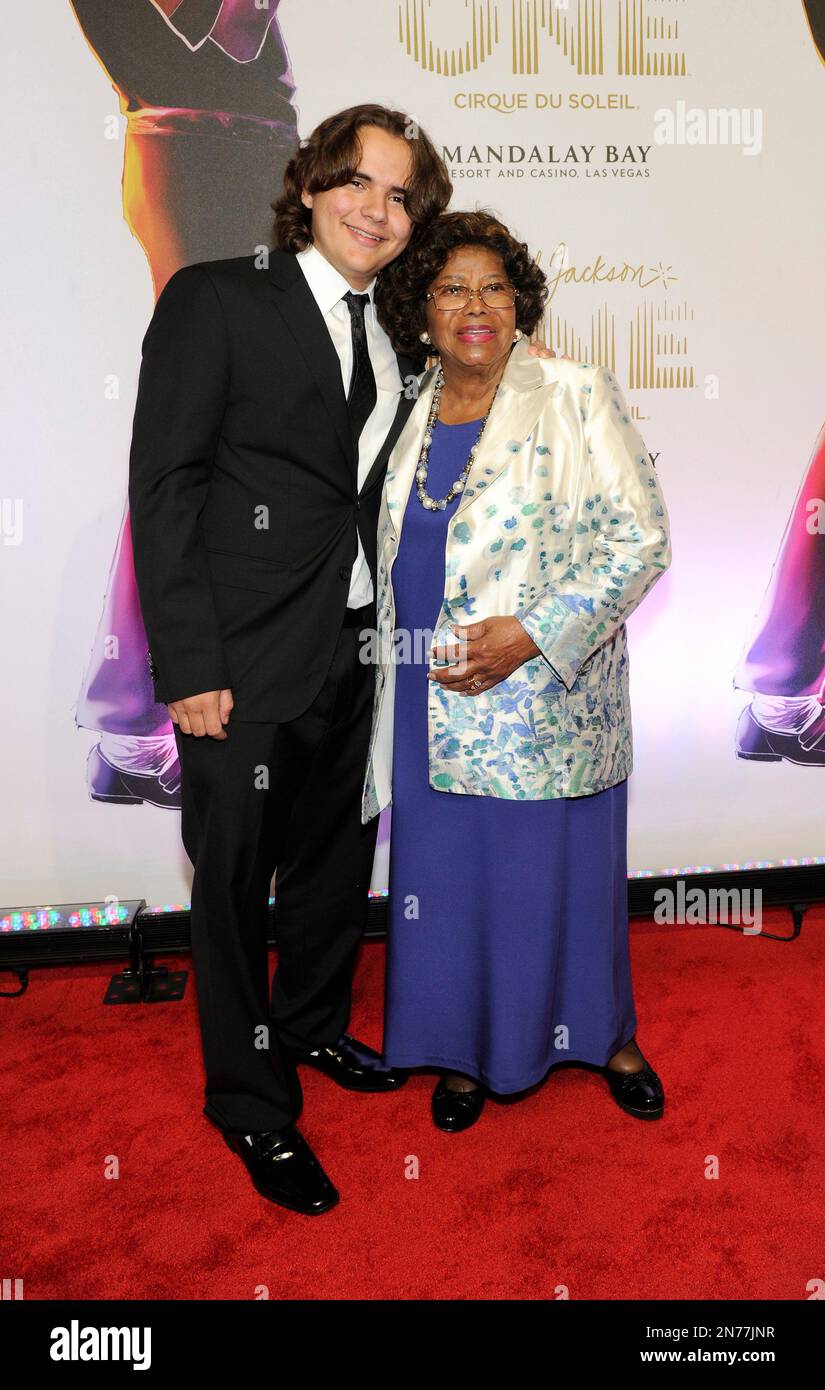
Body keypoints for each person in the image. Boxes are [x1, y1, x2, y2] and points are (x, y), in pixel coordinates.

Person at [128, 105, 452, 1215]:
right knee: (229, 889)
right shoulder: (218, 297)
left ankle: (313, 1029)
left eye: (404, 196)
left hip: (356, 652)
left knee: (328, 866)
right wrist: (187, 660)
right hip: (239, 661)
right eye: (360, 183)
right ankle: (251, 1106)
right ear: (310, 187)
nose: (380, 209)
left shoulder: (392, 333)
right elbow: (165, 487)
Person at [365, 210, 673, 1132]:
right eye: (451, 288)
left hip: (545, 696)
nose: (475, 306)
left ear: (519, 303)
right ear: (421, 309)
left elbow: (640, 539)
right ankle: (464, 1053)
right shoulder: (404, 406)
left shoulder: (575, 393)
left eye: (494, 287)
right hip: (427, 691)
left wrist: (532, 633)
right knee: (448, 878)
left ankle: (606, 1037)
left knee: (557, 875)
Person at [70, 0, 301, 810]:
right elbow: (201, 24)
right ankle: (132, 717)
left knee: (243, 438)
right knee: (193, 438)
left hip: (266, 153)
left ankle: (147, 716)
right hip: (190, 146)